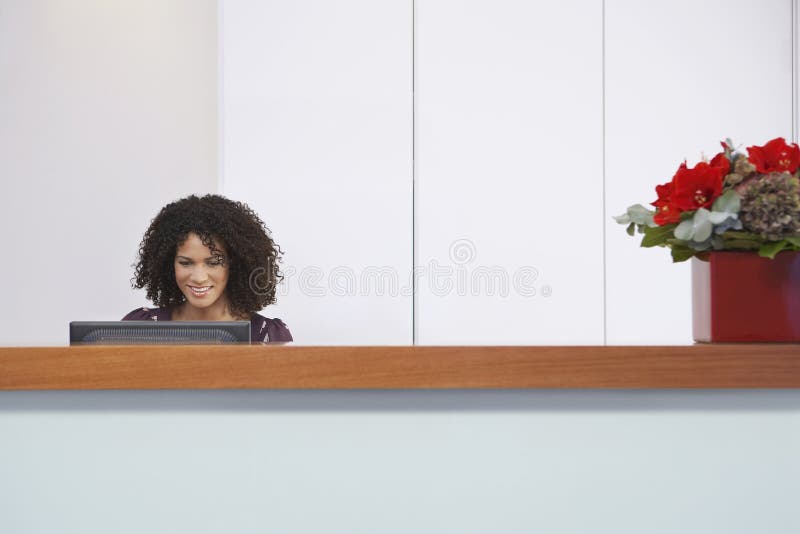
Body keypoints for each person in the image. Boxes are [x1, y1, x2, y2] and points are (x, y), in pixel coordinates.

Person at [122, 194, 292, 342]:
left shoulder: (267, 336)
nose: (199, 277)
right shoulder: (139, 328)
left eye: (213, 263)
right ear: (169, 264)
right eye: (185, 263)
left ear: (235, 264)